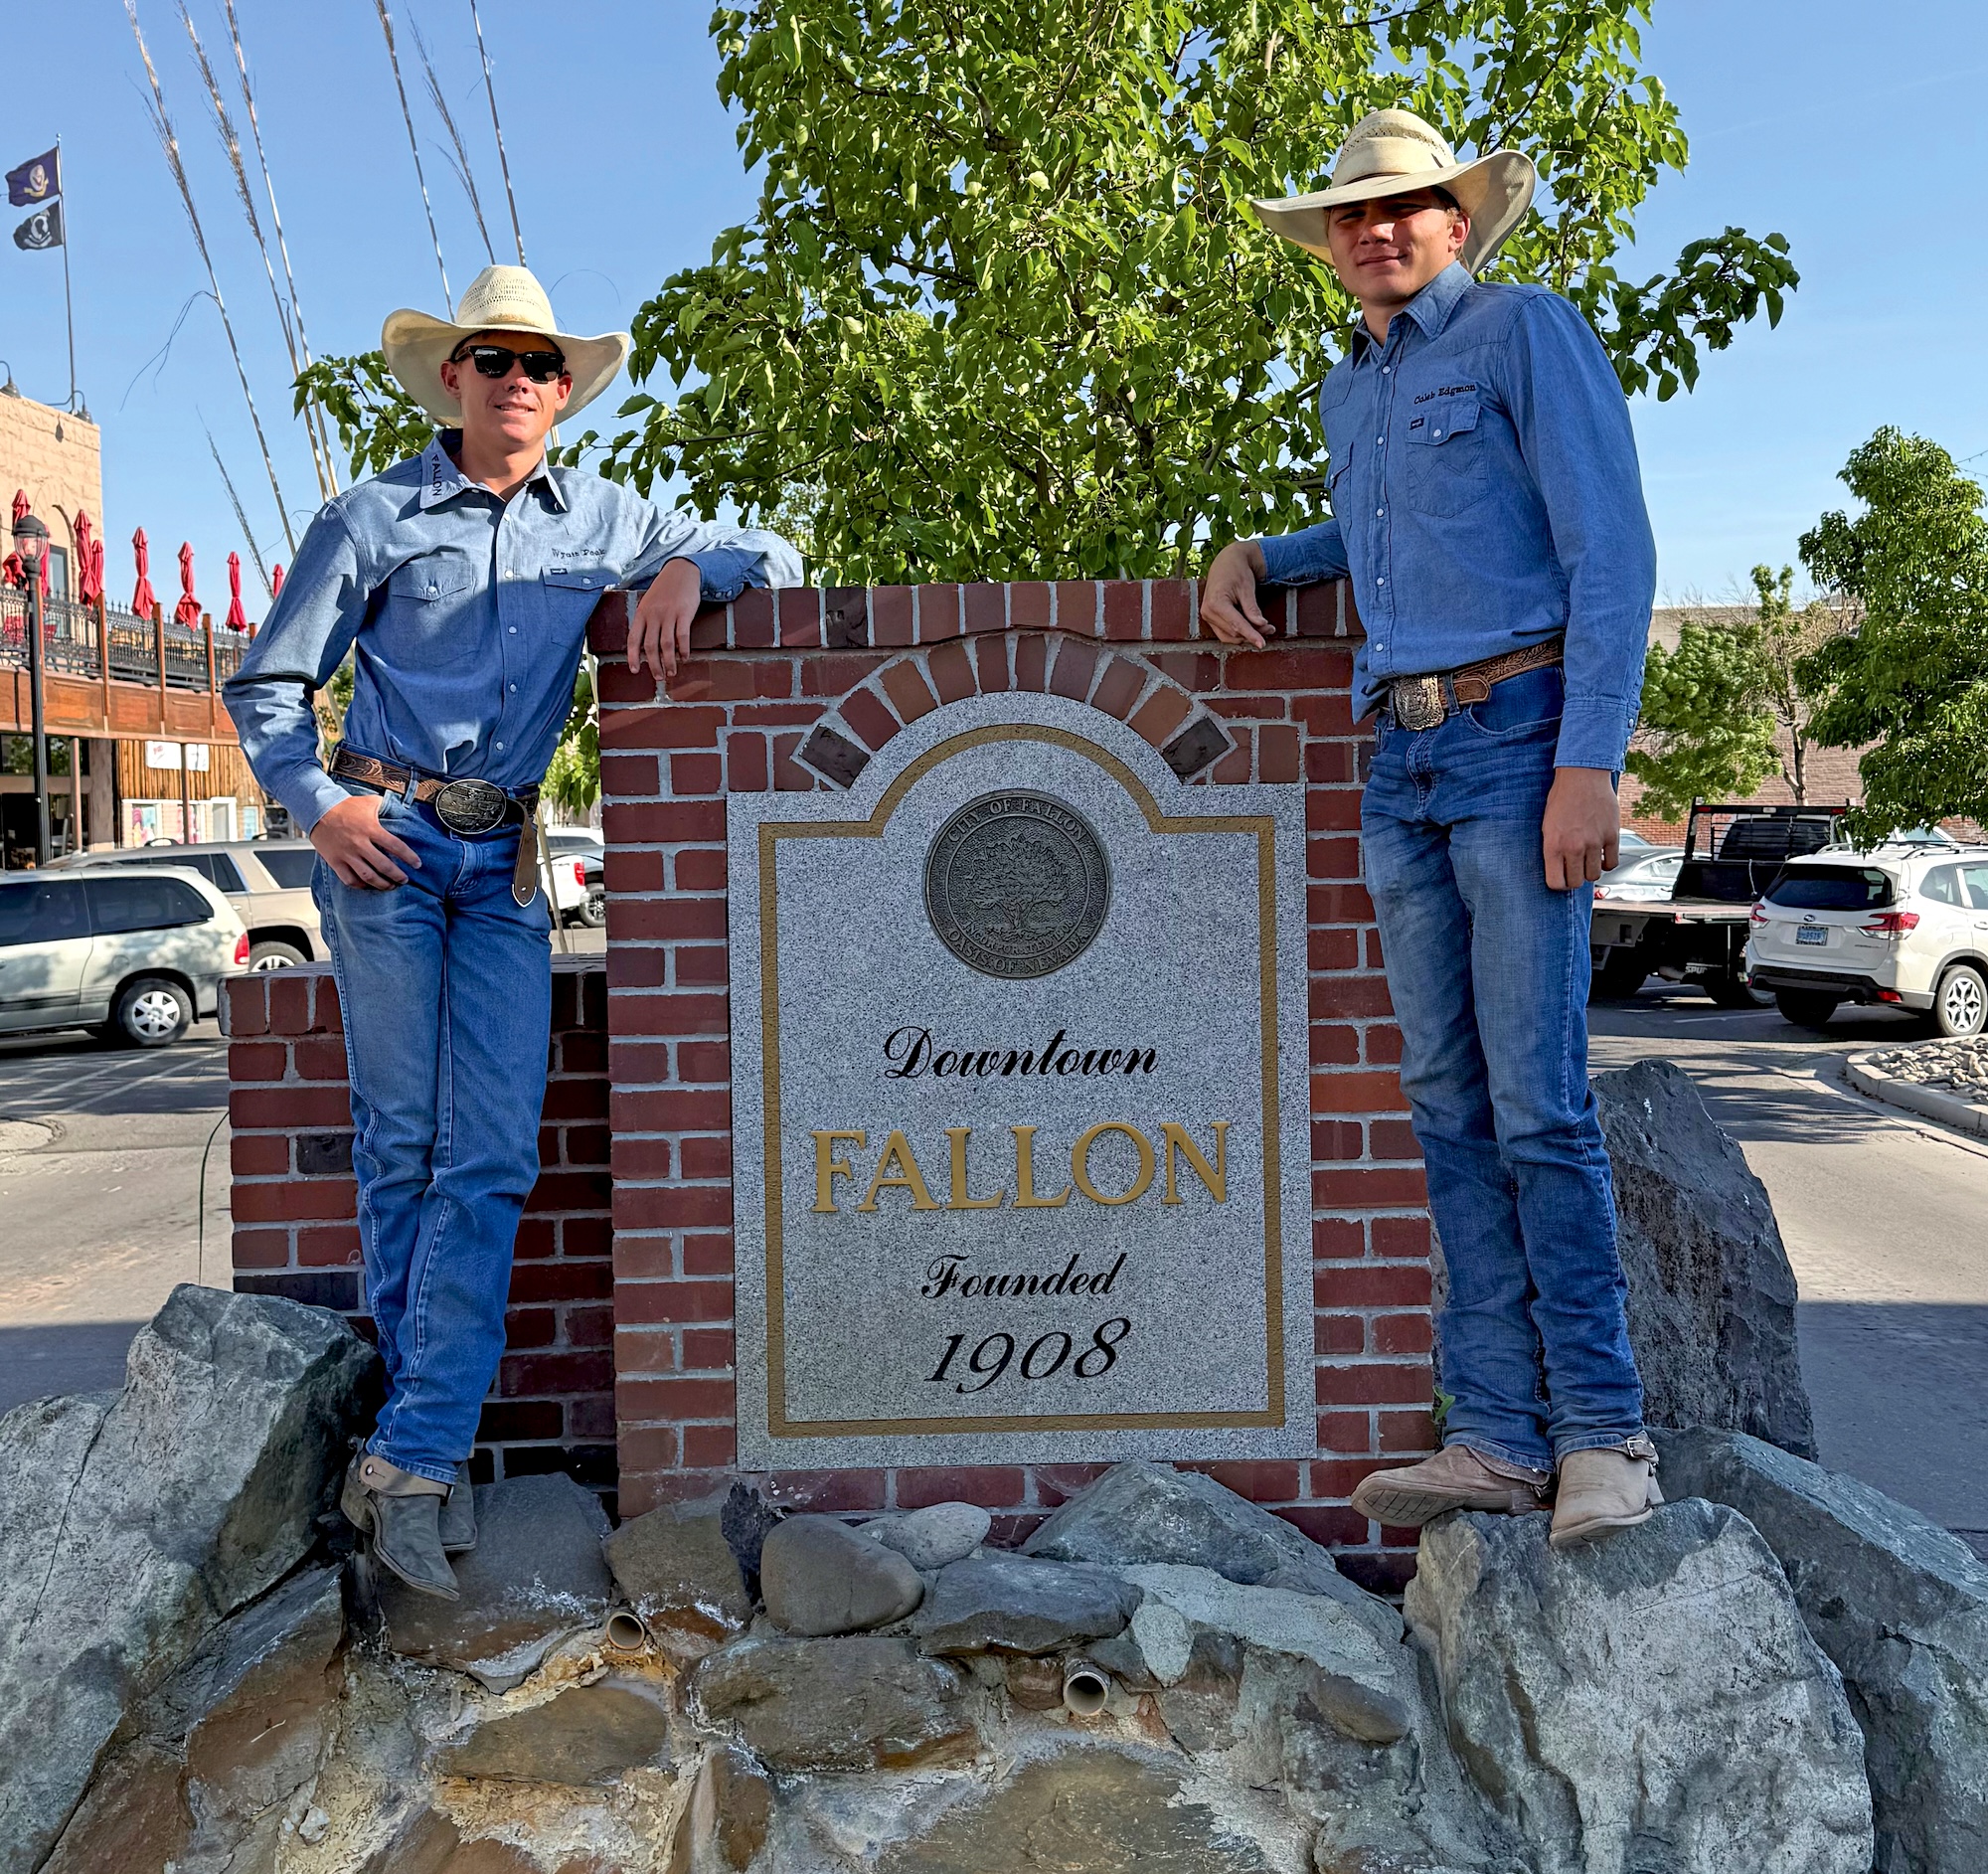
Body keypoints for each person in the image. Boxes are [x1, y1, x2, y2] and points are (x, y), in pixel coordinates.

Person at [226, 266, 800, 1598]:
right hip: (387, 843)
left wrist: (686, 576)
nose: (520, 380)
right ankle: (418, 1447)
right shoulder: (371, 517)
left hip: (509, 867)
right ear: (453, 379)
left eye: (540, 363)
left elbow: (777, 555)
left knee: (488, 1154)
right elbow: (266, 679)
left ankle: (402, 1453)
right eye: (495, 360)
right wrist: (316, 805)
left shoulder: (602, 517)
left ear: (562, 386)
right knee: (406, 1142)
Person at [1201, 110, 1661, 1548]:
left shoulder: (1527, 334)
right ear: (1331, 245)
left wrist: (1588, 762)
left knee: (1539, 1104)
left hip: (1517, 745)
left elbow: (1612, 548)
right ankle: (1495, 1439)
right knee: (1446, 1108)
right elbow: (1381, 532)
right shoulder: (1355, 391)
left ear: (1459, 220)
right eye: (1351, 215)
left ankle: (1604, 1435)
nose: (1376, 229)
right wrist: (1261, 554)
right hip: (1392, 764)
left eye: (1406, 207)